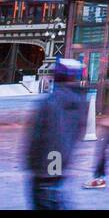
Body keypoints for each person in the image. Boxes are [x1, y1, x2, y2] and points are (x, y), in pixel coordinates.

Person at [25, 58, 85, 209]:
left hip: (46, 168)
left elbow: (52, 136)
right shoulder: (79, 100)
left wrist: (46, 169)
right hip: (61, 163)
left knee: (47, 200)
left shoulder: (52, 101)